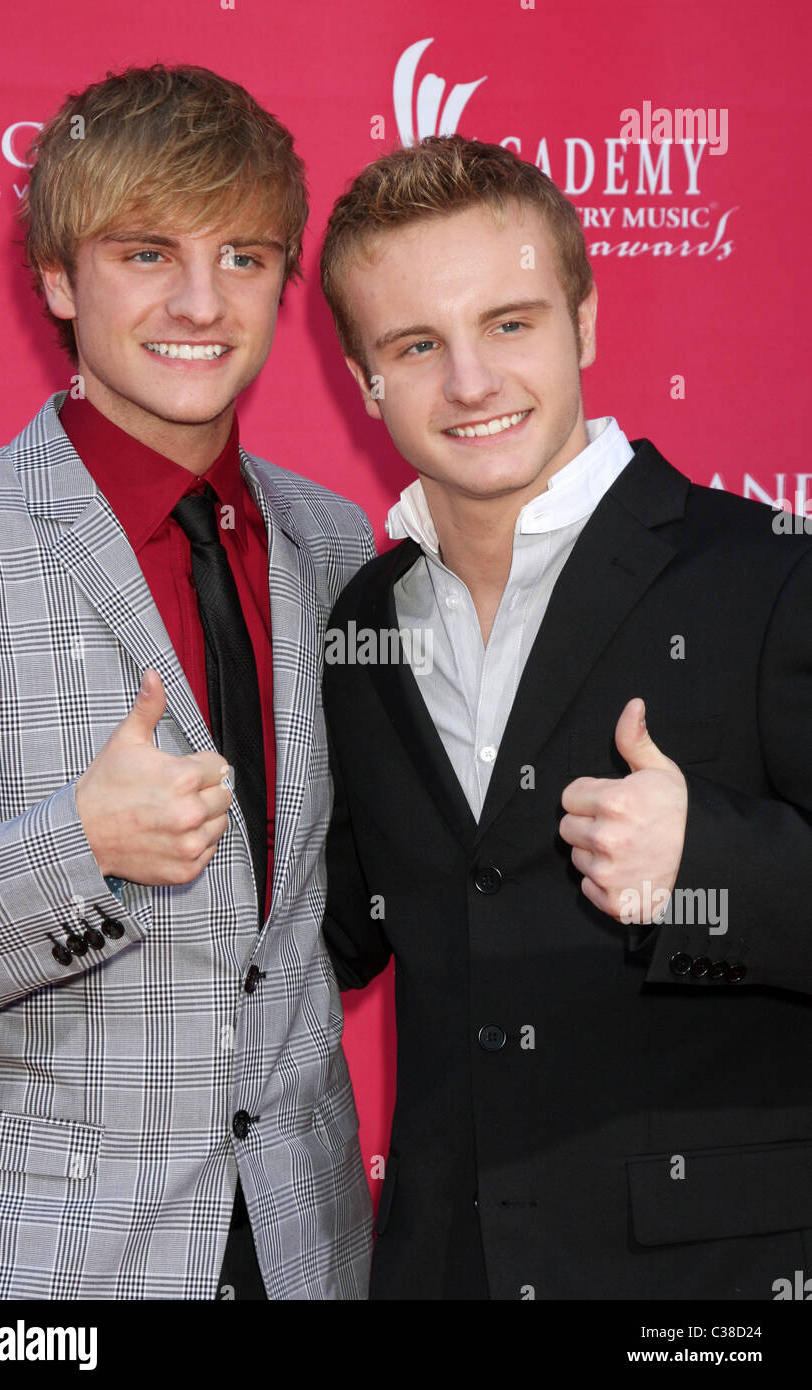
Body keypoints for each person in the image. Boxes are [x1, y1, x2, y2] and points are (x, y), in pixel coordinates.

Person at [318, 134, 812, 1300]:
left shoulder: (768, 576)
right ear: (364, 380)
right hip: (446, 1271)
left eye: (509, 323)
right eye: (417, 345)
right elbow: (332, 935)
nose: (471, 382)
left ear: (581, 324)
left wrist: (710, 864)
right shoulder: (360, 623)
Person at [0, 64, 375, 1301]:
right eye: (148, 253)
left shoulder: (333, 542)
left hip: (303, 1257)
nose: (202, 301)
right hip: (46, 1280)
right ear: (60, 279)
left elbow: (319, 923)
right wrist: (75, 849)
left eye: (244, 257)